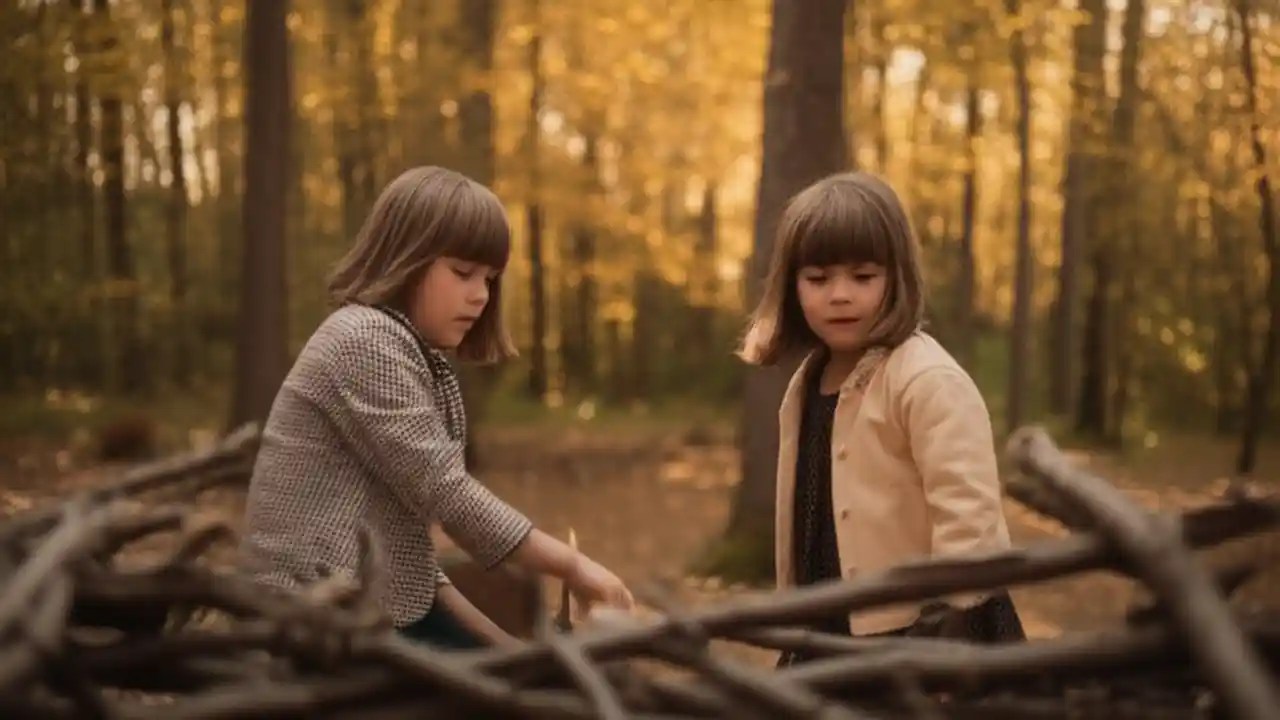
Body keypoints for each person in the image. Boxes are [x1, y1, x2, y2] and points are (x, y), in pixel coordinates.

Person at [240, 166, 633, 649]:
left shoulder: (406, 351)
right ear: (405, 259)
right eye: (462, 273)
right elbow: (448, 495)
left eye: (490, 279)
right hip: (314, 620)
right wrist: (572, 565)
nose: (480, 295)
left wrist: (513, 656)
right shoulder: (363, 342)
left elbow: (413, 569)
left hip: (371, 609)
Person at [738, 171, 1025, 666]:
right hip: (825, 629)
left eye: (863, 277)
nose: (840, 294)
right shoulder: (807, 382)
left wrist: (945, 635)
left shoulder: (927, 381)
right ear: (791, 286)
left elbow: (970, 523)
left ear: (896, 278)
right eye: (818, 279)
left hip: (920, 633)